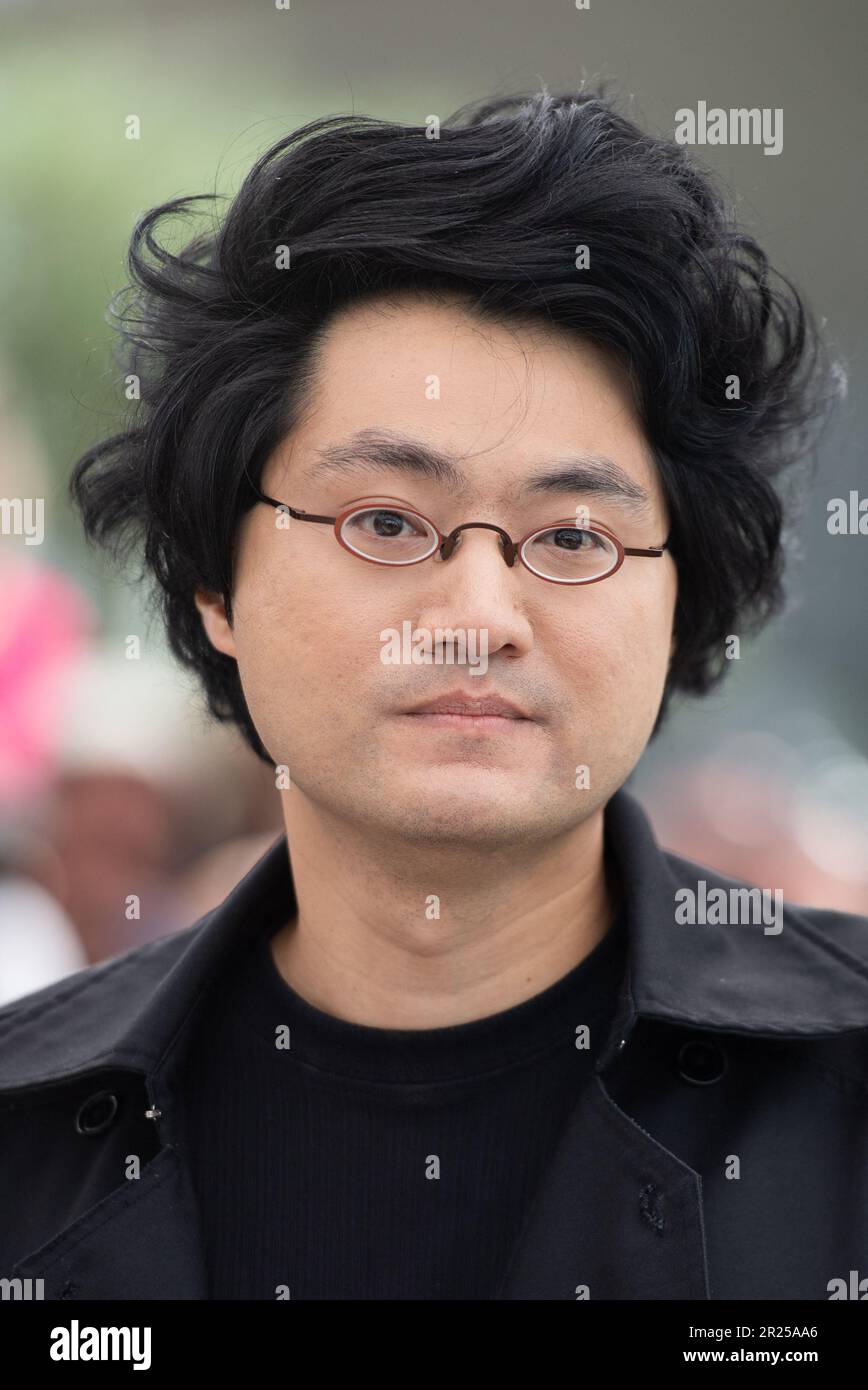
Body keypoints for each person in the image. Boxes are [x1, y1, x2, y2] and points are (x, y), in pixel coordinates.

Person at [1, 86, 863, 1303]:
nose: (478, 618)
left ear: (681, 601)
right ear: (213, 585)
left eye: (572, 537)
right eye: (387, 520)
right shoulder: (26, 1136)